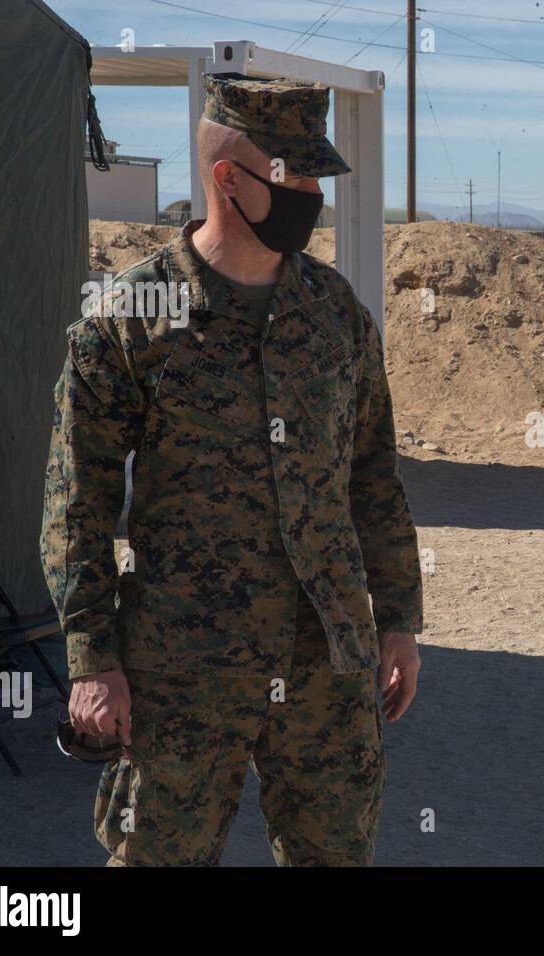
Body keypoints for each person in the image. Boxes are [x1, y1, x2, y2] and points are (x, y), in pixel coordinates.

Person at [41, 73, 423, 866]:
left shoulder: (335, 313)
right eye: (295, 176)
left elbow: (372, 477)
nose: (312, 193)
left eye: (318, 174)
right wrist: (93, 659)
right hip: (182, 665)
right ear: (227, 180)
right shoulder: (128, 320)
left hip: (325, 658)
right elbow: (78, 503)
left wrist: (397, 619)